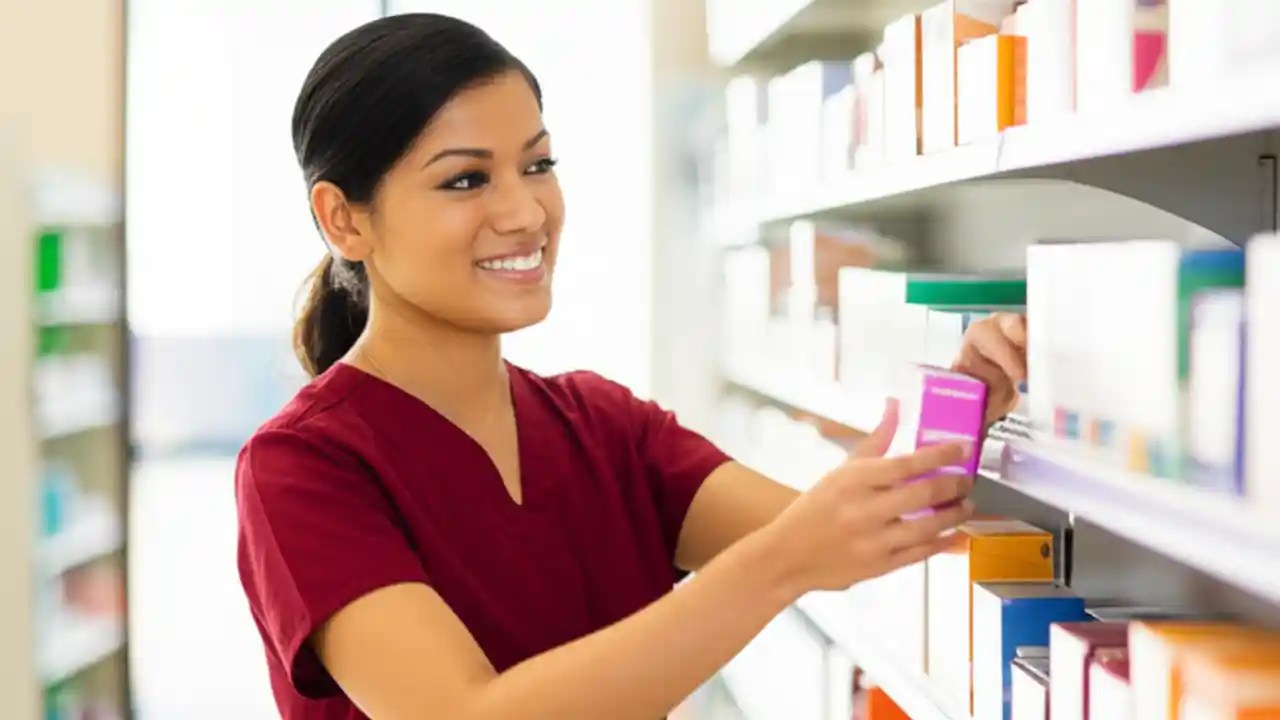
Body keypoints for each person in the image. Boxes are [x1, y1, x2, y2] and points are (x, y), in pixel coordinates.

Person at [235, 13, 1029, 720]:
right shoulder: (304, 467)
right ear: (344, 220)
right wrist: (777, 566)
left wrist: (960, 399)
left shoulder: (601, 427)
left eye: (538, 165)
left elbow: (844, 533)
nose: (526, 212)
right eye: (466, 179)